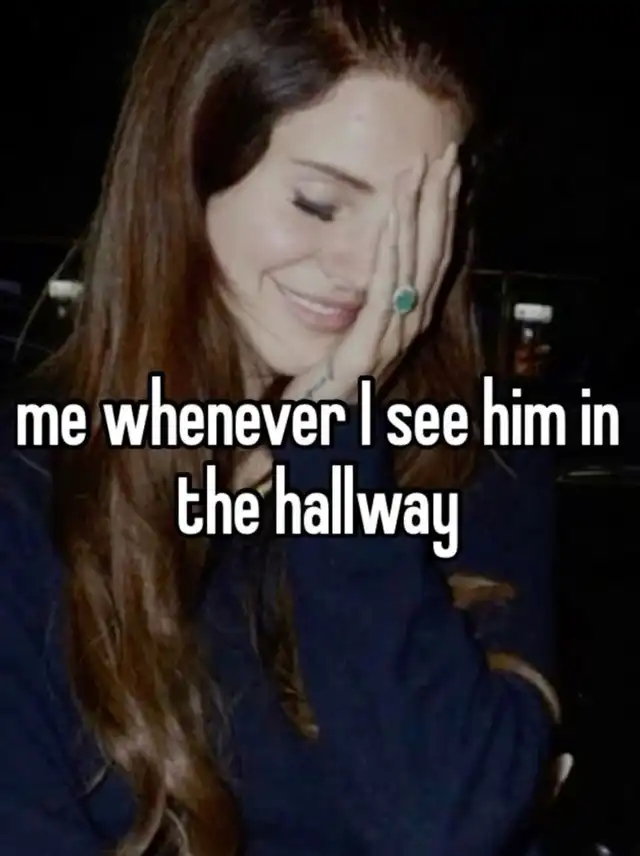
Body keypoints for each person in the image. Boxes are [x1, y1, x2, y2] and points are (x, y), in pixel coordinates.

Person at [0, 0, 560, 854]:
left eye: (413, 222)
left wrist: (330, 433)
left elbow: (441, 818)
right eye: (319, 203)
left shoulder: (480, 461)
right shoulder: (30, 484)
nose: (366, 271)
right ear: (187, 173)